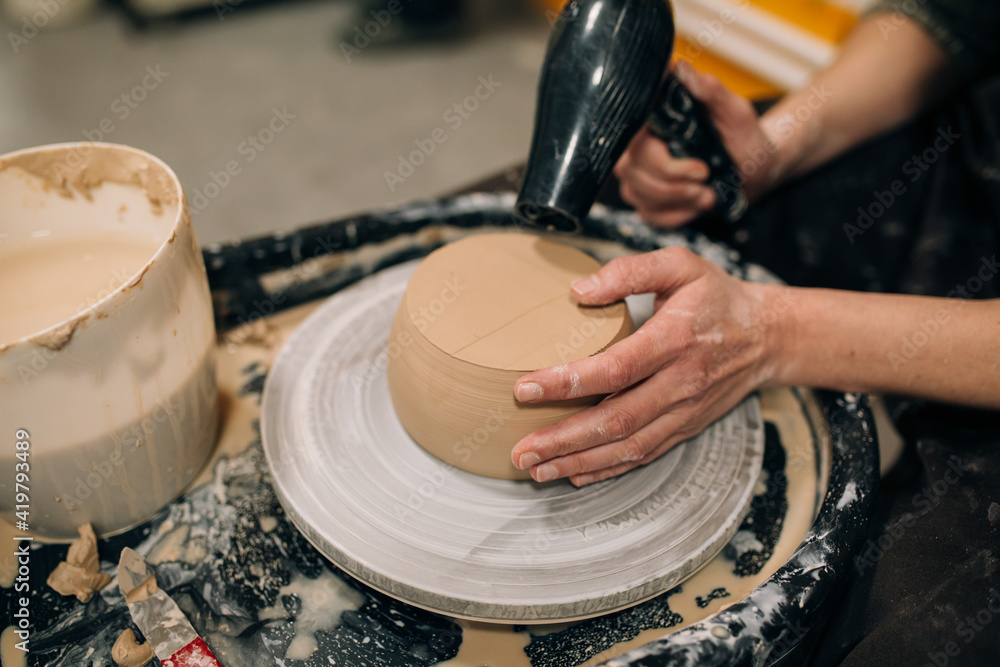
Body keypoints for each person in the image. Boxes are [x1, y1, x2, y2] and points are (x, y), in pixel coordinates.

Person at [511, 2, 1000, 664]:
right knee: (616, 207)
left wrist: (776, 333)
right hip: (974, 151)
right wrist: (773, 148)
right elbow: (961, 17)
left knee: (910, 636)